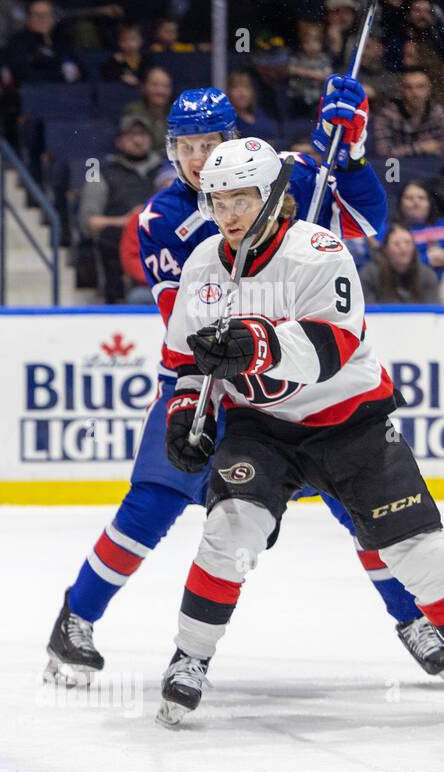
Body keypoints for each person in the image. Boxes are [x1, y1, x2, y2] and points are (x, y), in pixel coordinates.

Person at [45, 81, 444, 686]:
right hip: (207, 382)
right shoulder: (162, 219)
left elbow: (368, 220)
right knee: (154, 498)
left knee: (353, 501)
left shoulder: (286, 177)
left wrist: (351, 155)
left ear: (235, 144)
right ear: (170, 151)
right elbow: (189, 323)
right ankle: (76, 618)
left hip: (289, 382)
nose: (199, 159)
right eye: (186, 147)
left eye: (211, 144)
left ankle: (414, 618)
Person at [158, 136, 444, 724]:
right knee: (230, 533)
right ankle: (190, 658)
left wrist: (257, 342)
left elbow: (333, 345)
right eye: (217, 200)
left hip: (351, 423)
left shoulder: (320, 250)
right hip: (260, 429)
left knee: (419, 551)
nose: (228, 214)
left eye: (241, 199)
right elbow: (188, 361)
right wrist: (187, 414)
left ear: (272, 198)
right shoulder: (203, 263)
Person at [76, 114, 163, 303]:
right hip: (121, 243)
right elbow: (88, 221)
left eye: (143, 135)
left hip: (161, 241)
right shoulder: (101, 174)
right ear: (119, 141)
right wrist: (127, 220)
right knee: (109, 235)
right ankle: (115, 299)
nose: (138, 140)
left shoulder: (165, 170)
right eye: (131, 135)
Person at [0, 1, 81, 85]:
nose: (42, 20)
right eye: (36, 15)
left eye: (46, 15)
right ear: (28, 18)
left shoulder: (62, 39)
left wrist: (77, 72)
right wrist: (59, 74)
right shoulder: (17, 41)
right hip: (33, 92)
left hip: (69, 91)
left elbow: (78, 66)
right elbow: (22, 72)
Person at [360, 223, 441, 302]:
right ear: (385, 249)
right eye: (396, 244)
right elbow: (367, 310)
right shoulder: (369, 275)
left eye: (408, 243)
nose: (403, 249)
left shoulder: (427, 275)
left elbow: (433, 309)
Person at [372, 68, 444, 157]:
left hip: (430, 169)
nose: (415, 93)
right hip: (397, 169)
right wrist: (421, 148)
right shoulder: (386, 116)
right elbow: (383, 153)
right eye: (408, 87)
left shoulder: (438, 113)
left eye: (420, 87)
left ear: (429, 89)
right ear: (401, 90)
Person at [393, 180, 444, 275]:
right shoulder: (390, 231)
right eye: (409, 198)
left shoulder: (442, 225)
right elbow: (387, 265)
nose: (416, 203)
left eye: (421, 198)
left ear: (429, 202)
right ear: (400, 203)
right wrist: (426, 259)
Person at [288, 22, 334, 118]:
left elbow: (326, 76)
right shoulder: (298, 57)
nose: (312, 46)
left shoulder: (324, 59)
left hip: (316, 99)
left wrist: (304, 72)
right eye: (307, 43)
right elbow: (290, 70)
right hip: (297, 97)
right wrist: (313, 74)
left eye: (315, 42)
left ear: (321, 43)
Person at [122, 67, 173, 146]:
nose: (161, 91)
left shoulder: (176, 113)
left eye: (166, 86)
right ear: (144, 87)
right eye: (155, 85)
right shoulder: (133, 111)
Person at [227, 70, 278, 143]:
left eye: (246, 87)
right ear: (228, 91)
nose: (242, 93)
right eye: (236, 87)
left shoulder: (261, 115)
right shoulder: (228, 122)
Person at [99, 21, 145, 86]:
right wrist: (121, 77)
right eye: (124, 40)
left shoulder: (147, 59)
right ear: (119, 43)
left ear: (141, 40)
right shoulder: (113, 61)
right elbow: (108, 76)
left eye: (133, 39)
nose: (129, 44)